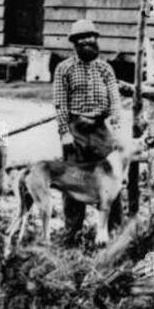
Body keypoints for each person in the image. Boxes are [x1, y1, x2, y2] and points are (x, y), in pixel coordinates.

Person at [52, 18, 121, 243]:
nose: (88, 42)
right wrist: (65, 132)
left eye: (92, 37)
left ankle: (114, 230)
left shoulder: (105, 69)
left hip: (100, 130)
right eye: (83, 39)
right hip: (76, 128)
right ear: (75, 43)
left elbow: (115, 101)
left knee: (112, 178)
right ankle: (72, 232)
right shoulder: (64, 69)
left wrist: (115, 125)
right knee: (73, 179)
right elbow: (61, 104)